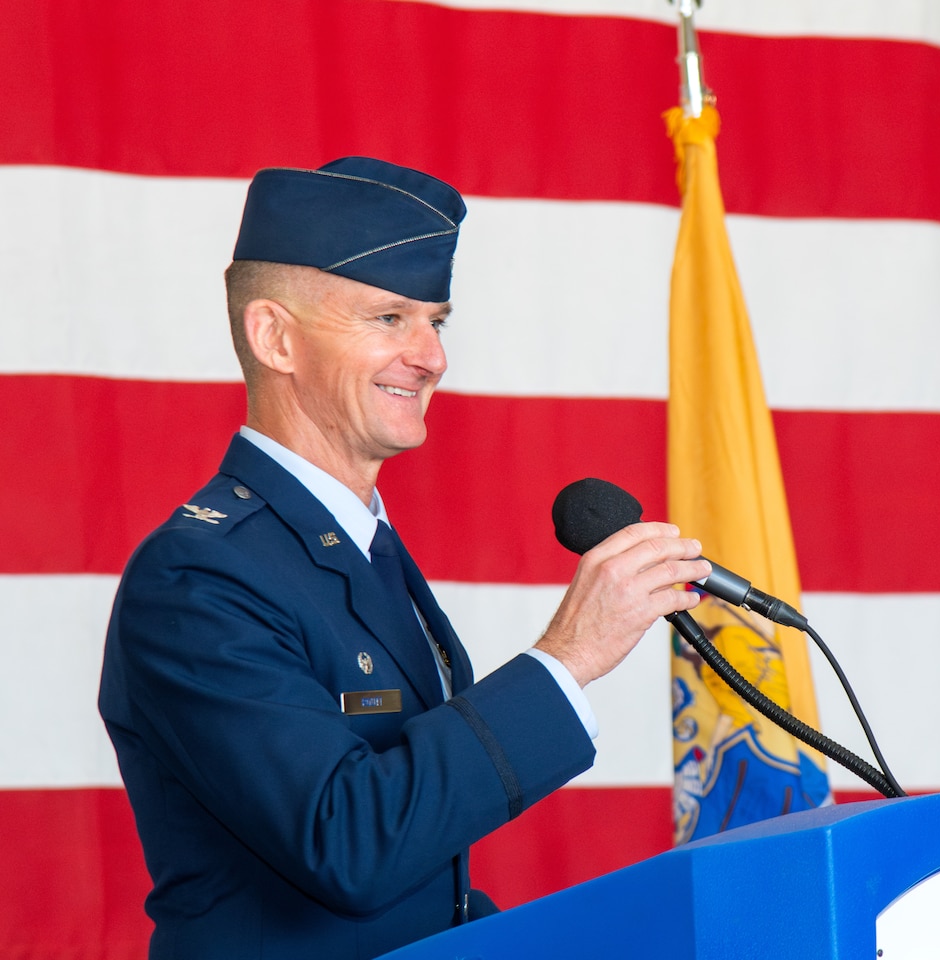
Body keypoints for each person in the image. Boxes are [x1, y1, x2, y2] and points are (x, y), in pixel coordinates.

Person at [98, 157, 709, 960]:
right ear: (274, 337)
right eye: (389, 319)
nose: (431, 357)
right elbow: (350, 845)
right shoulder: (198, 579)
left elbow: (424, 879)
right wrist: (569, 658)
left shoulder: (354, 544)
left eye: (437, 322)